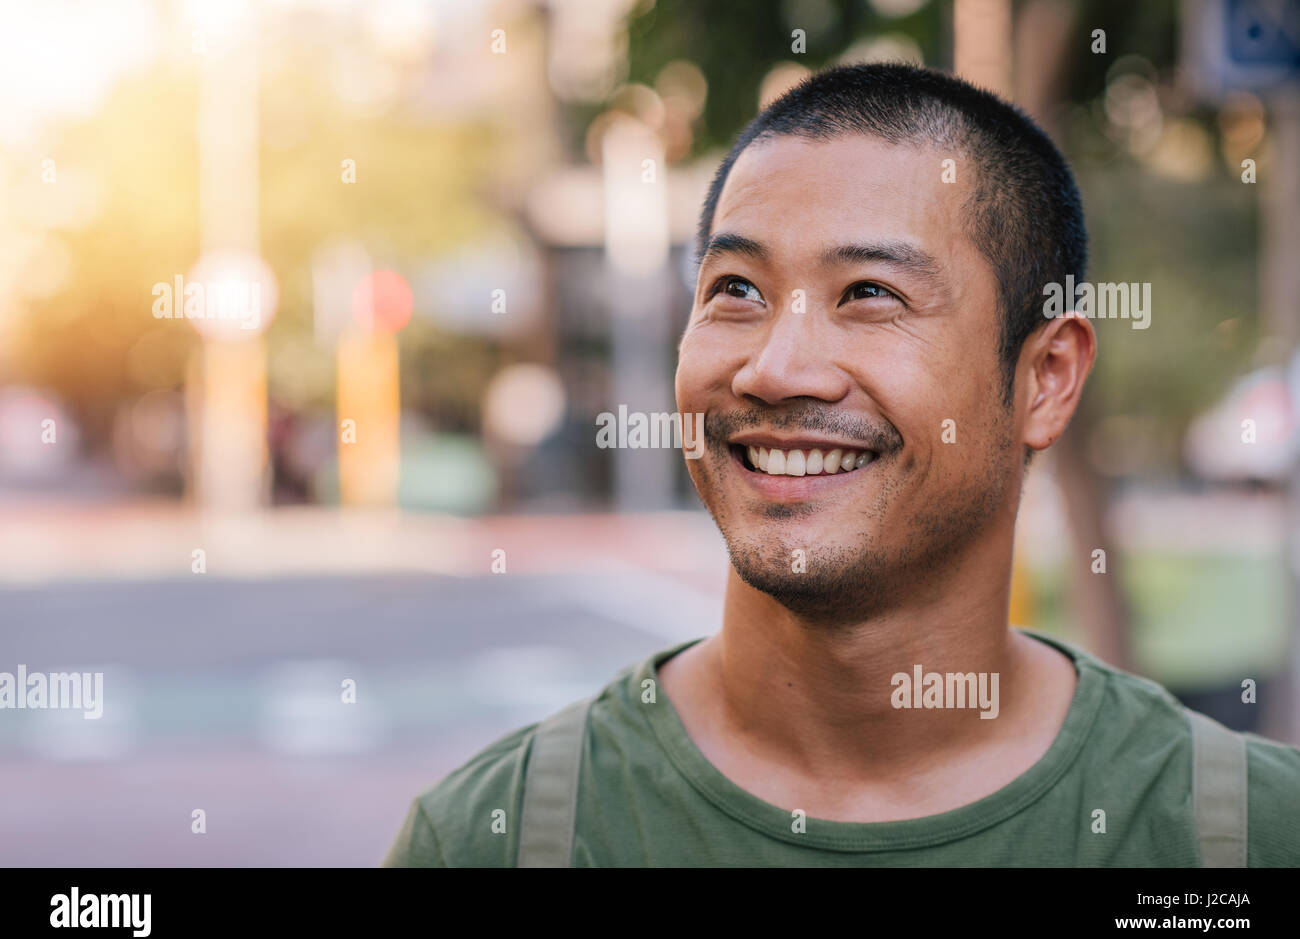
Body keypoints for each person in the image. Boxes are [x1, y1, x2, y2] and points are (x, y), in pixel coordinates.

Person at [383, 62, 1300, 866]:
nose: (775, 367)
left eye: (870, 294)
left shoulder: (1241, 839)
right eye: (735, 289)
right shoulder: (504, 839)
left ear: (1045, 378)